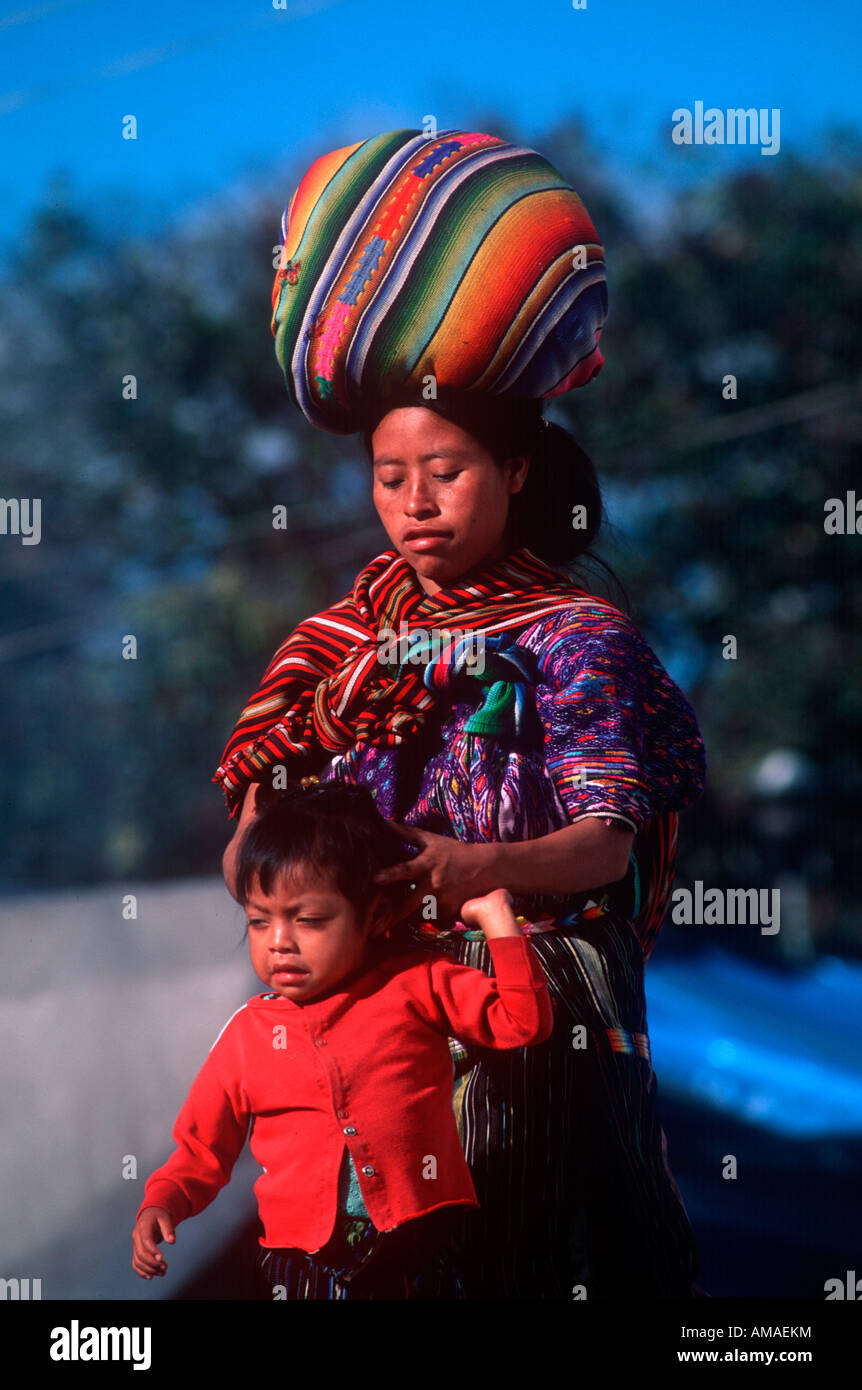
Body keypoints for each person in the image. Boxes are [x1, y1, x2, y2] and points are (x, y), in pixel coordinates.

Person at [213, 128, 708, 1298]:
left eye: (449, 471)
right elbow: (253, 840)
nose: (417, 502)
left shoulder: (573, 641)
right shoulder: (331, 651)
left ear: (518, 474)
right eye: (392, 477)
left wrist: (469, 867)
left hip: (534, 1031)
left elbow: (606, 840)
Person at [131, 780, 554, 1299]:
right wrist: (162, 1203)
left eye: (309, 920)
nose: (279, 943)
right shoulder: (246, 1036)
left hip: (421, 1243)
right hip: (300, 1263)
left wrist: (499, 923)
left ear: (374, 915)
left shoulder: (417, 984)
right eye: (259, 922)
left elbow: (522, 1022)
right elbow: (201, 1149)